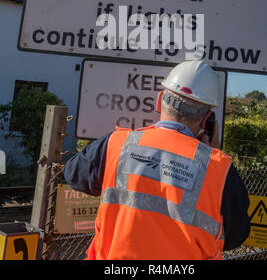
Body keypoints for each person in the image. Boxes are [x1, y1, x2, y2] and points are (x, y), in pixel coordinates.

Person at [64, 61, 250, 260]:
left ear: (159, 100)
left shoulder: (116, 145)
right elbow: (236, 235)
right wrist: (210, 156)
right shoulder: (218, 169)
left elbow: (74, 175)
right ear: (206, 120)